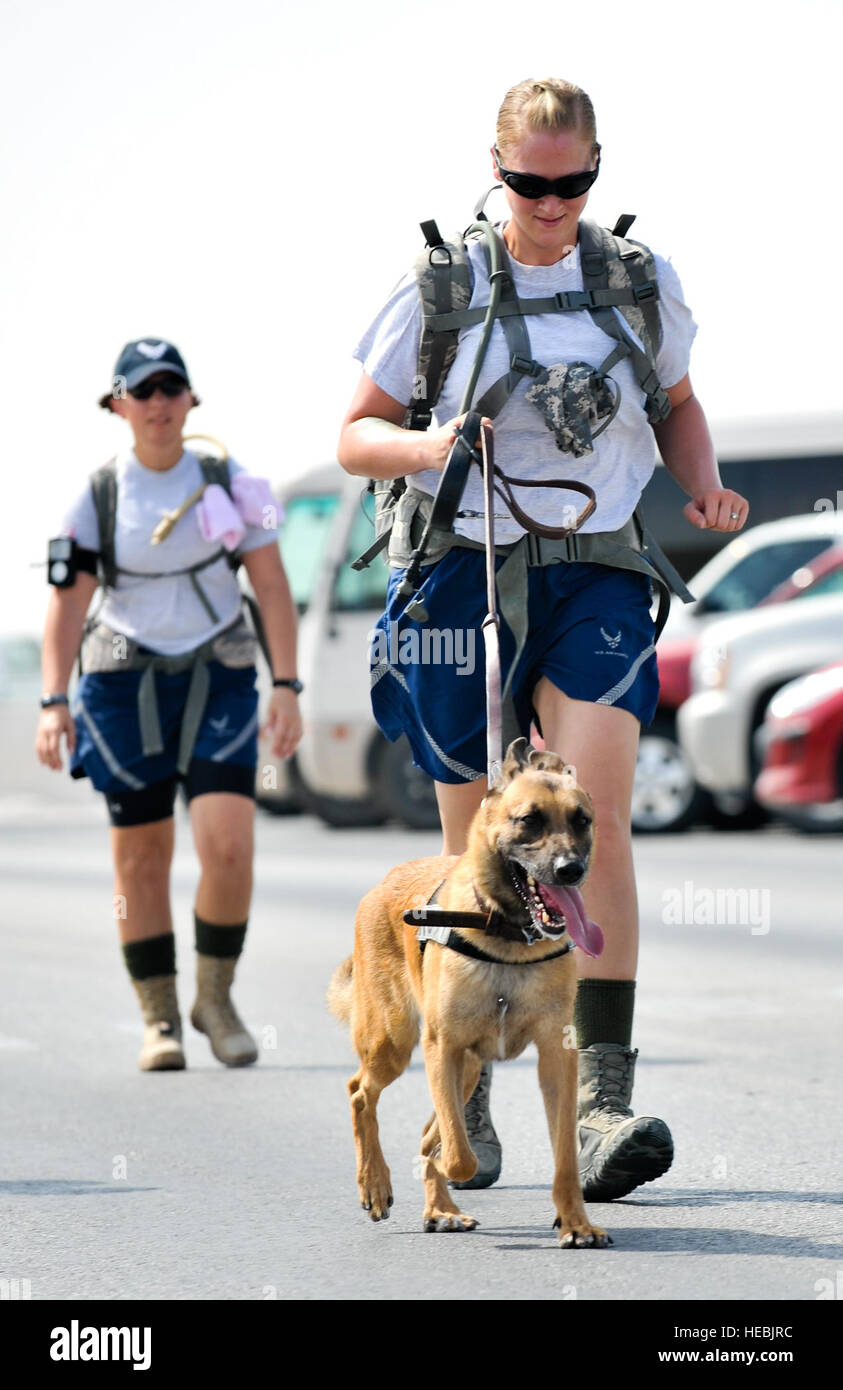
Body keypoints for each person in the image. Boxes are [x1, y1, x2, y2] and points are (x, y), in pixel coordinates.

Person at [337, 78, 749, 1199]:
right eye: (531, 182)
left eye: (575, 182)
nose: (553, 202)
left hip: (597, 564)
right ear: (498, 166)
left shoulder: (636, 278)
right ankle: (463, 1077)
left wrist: (701, 485)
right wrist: (426, 450)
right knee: (480, 829)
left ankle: (603, 1101)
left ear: (597, 167)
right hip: (463, 567)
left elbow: (678, 403)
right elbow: (354, 434)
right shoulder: (445, 283)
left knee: (593, 816)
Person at [36, 339, 303, 1072]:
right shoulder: (96, 498)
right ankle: (159, 1017)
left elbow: (273, 587)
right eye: (142, 391)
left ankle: (215, 999)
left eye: (170, 389)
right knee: (142, 859)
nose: (157, 404)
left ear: (190, 401)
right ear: (118, 404)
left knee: (228, 845)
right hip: (123, 689)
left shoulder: (232, 480)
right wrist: (53, 701)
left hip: (218, 677)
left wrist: (286, 686)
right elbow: (65, 607)